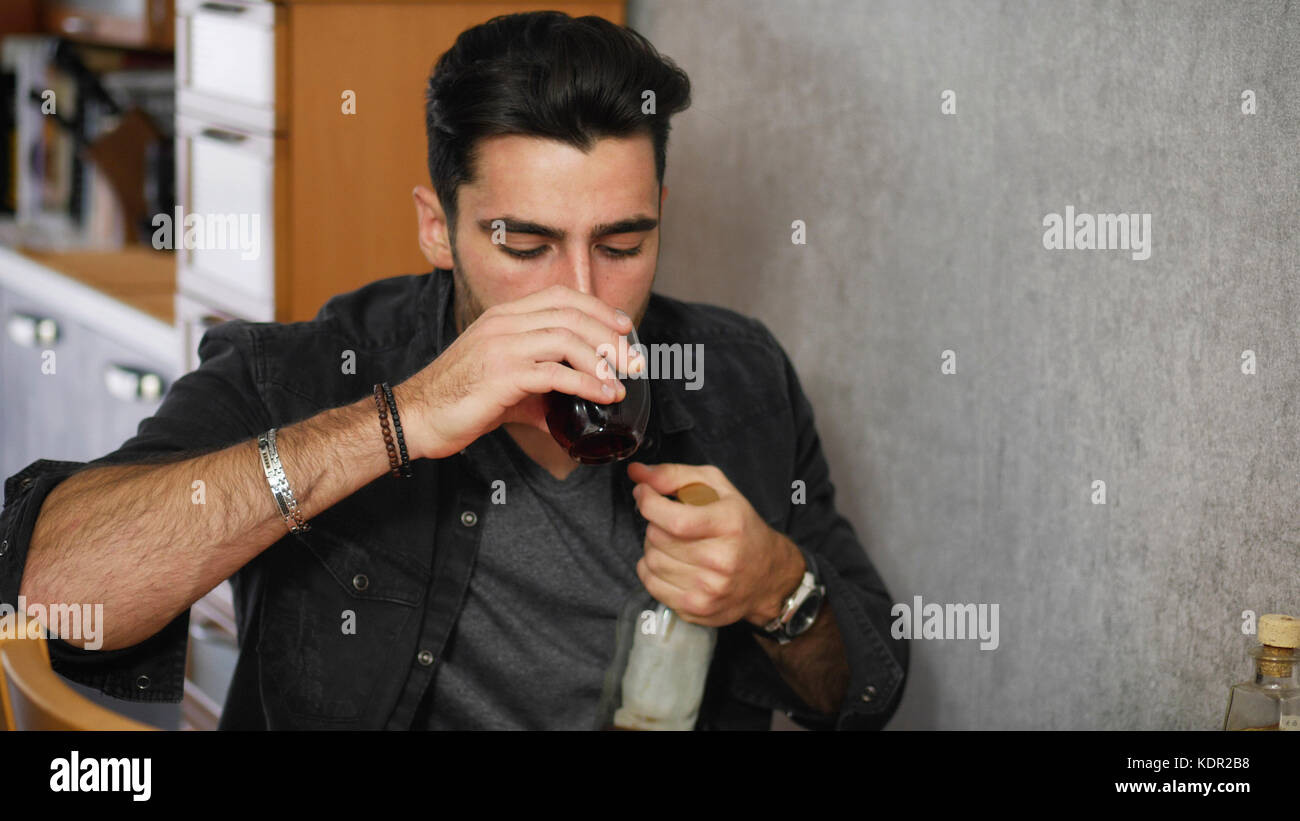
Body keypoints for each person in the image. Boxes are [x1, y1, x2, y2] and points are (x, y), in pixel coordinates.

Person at [0, 11, 906, 730]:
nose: (582, 296)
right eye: (524, 243)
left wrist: (777, 586)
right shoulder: (309, 371)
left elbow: (867, 689)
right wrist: (398, 421)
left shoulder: (738, 377)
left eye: (623, 243)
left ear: (660, 215)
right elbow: (45, 595)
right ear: (437, 227)